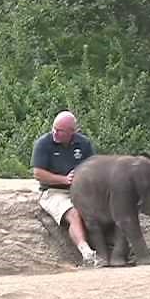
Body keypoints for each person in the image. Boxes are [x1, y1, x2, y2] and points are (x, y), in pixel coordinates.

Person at [31, 110, 97, 265]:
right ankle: (86, 253)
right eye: (54, 128)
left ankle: (120, 248)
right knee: (73, 214)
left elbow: (94, 166)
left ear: (72, 132)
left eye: (60, 130)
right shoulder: (43, 143)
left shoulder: (84, 143)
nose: (55, 133)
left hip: (81, 189)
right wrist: (65, 179)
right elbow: (38, 173)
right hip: (53, 191)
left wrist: (83, 176)